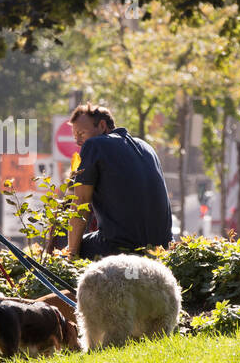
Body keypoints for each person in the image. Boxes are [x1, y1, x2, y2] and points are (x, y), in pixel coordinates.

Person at [65, 104, 172, 260]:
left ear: (102, 126)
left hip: (117, 247)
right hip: (162, 247)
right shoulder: (147, 147)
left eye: (81, 133)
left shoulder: (94, 145)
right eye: (75, 137)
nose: (79, 142)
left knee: (66, 251)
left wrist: (71, 255)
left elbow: (81, 203)